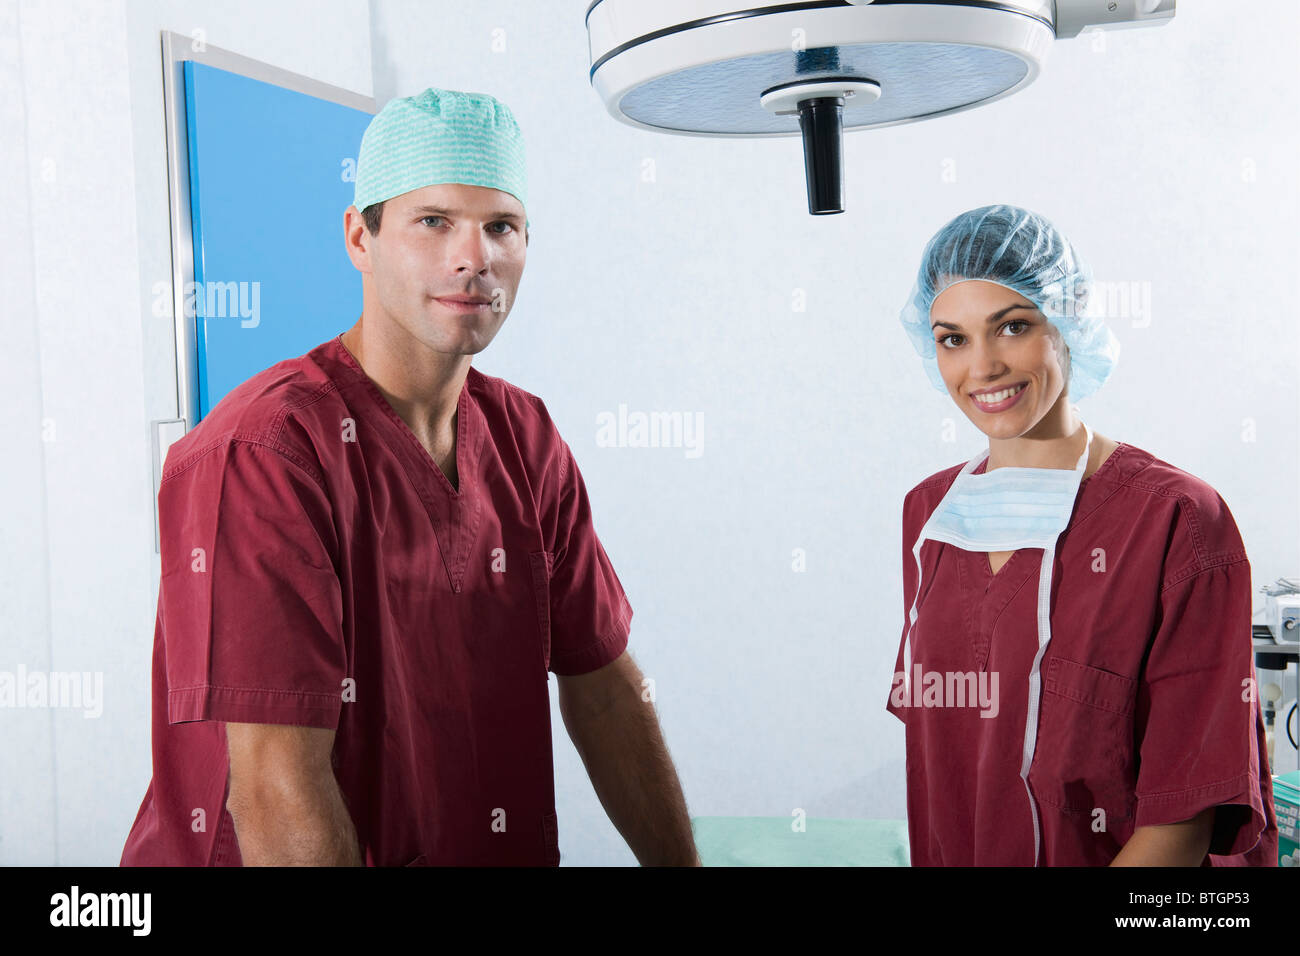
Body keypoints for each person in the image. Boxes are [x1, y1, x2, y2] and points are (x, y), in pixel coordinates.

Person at [121, 87, 700, 866]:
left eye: (501, 226)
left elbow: (604, 690)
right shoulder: (263, 454)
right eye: (433, 222)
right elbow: (276, 788)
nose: (474, 257)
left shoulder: (524, 437)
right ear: (360, 237)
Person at [886, 204, 1278, 866]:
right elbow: (946, 757)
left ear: (1069, 324)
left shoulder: (1178, 520)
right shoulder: (930, 514)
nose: (981, 367)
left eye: (1012, 327)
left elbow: (1183, 821)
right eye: (952, 338)